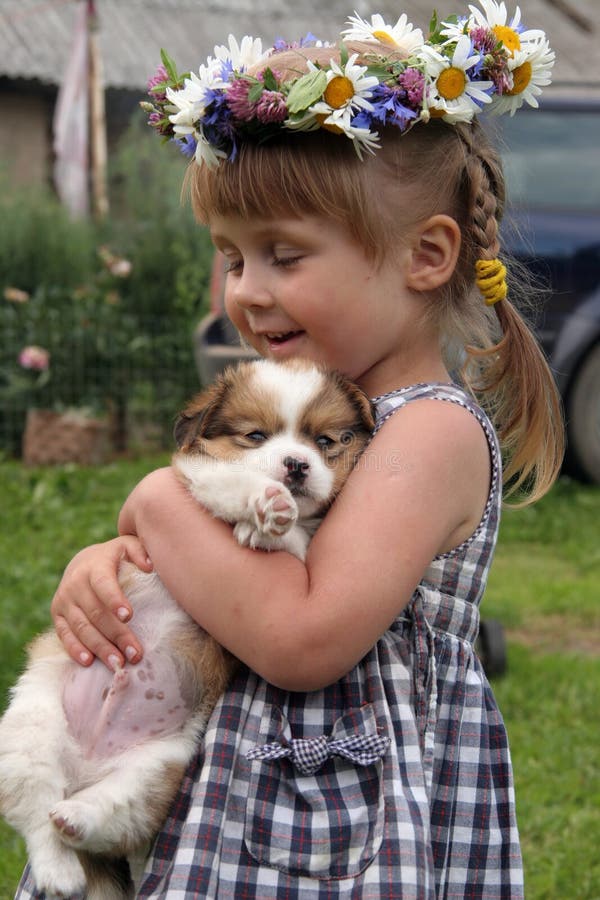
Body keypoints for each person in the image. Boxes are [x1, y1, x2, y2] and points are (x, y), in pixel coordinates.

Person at [17, 4, 562, 897]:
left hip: (337, 819)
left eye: (283, 255)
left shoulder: (428, 429)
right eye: (232, 258)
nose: (246, 292)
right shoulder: (307, 409)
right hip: (234, 787)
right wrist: (111, 564)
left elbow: (302, 637)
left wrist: (155, 501)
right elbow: (211, 569)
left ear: (426, 256)